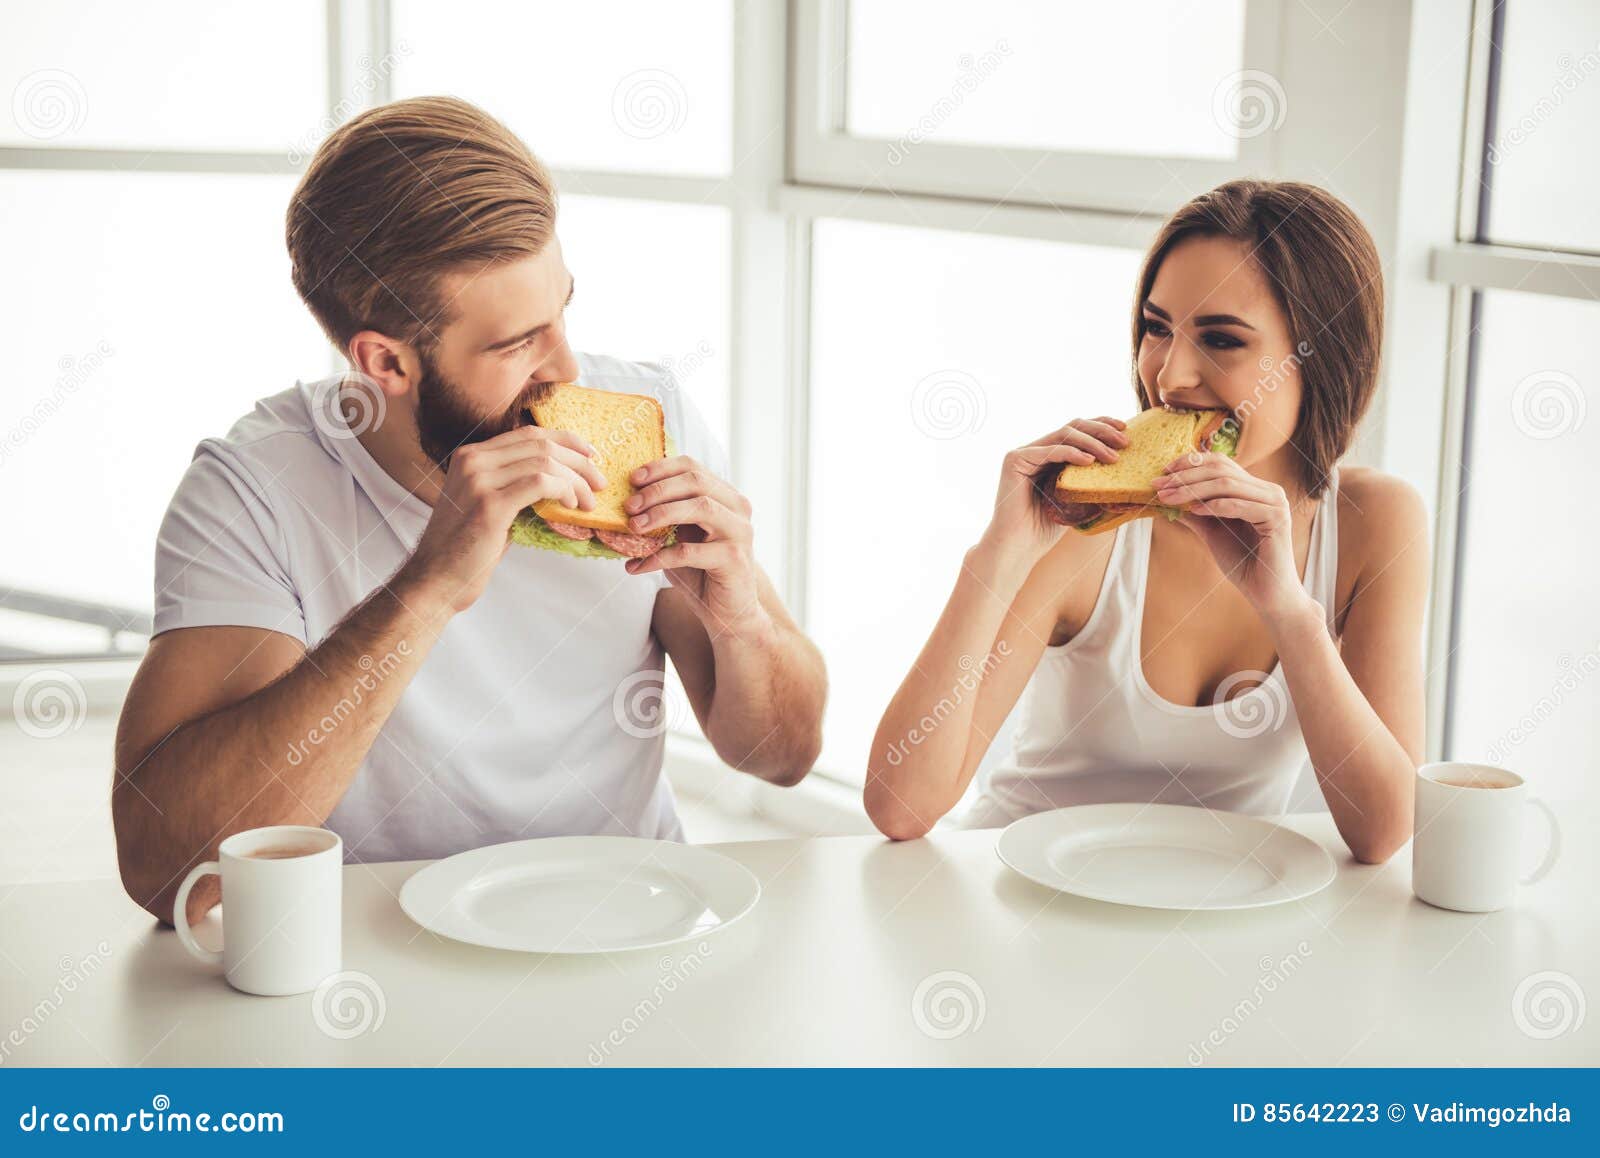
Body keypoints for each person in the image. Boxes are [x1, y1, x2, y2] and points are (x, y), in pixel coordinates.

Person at [113, 97, 826, 926]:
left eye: (563, 310)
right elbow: (167, 873)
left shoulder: (649, 423)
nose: (565, 367)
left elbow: (782, 757)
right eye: (517, 342)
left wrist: (743, 619)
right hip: (372, 960)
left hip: (629, 928)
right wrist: (427, 590)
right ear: (386, 361)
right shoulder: (255, 489)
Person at [866, 180, 1426, 863]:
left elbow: (1384, 832)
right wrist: (999, 555)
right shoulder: (1085, 520)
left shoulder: (1376, 524)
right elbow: (901, 807)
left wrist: (1289, 609)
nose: (1169, 376)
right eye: (1156, 329)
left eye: (1222, 339)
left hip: (1215, 915)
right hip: (1023, 902)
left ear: (1323, 357)